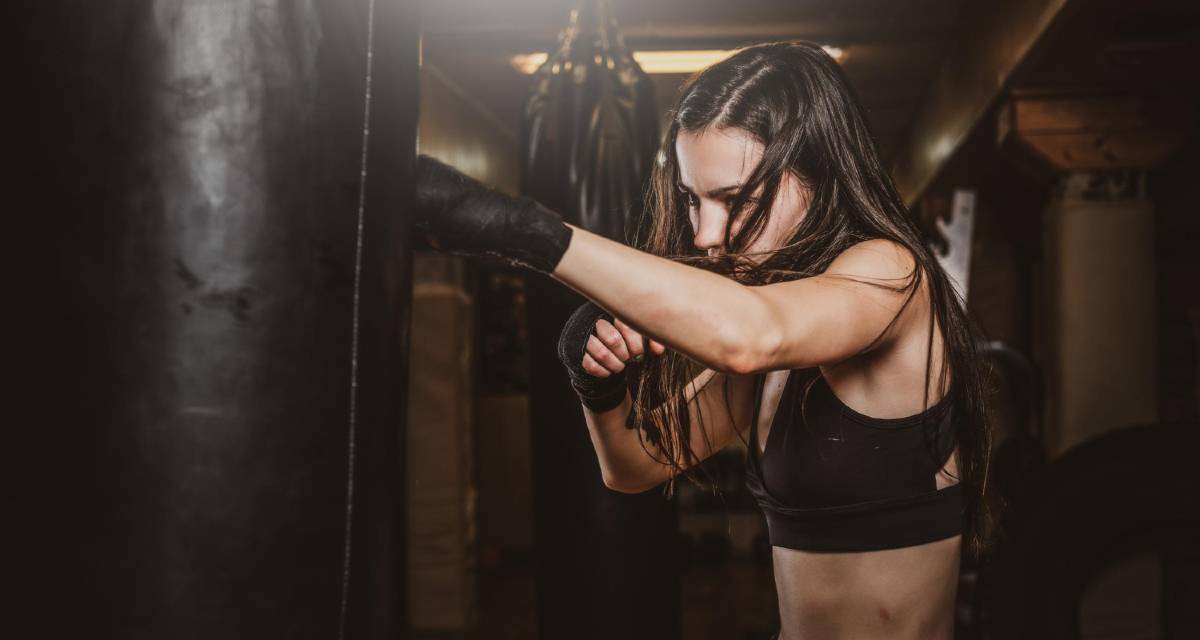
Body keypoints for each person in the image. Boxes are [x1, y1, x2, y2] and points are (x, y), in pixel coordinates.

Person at [414, 40, 995, 640]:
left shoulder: (890, 274)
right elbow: (635, 468)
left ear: (818, 173)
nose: (706, 234)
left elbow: (750, 334)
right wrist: (597, 386)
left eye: (734, 200)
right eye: (693, 200)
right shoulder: (781, 345)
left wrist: (523, 232)